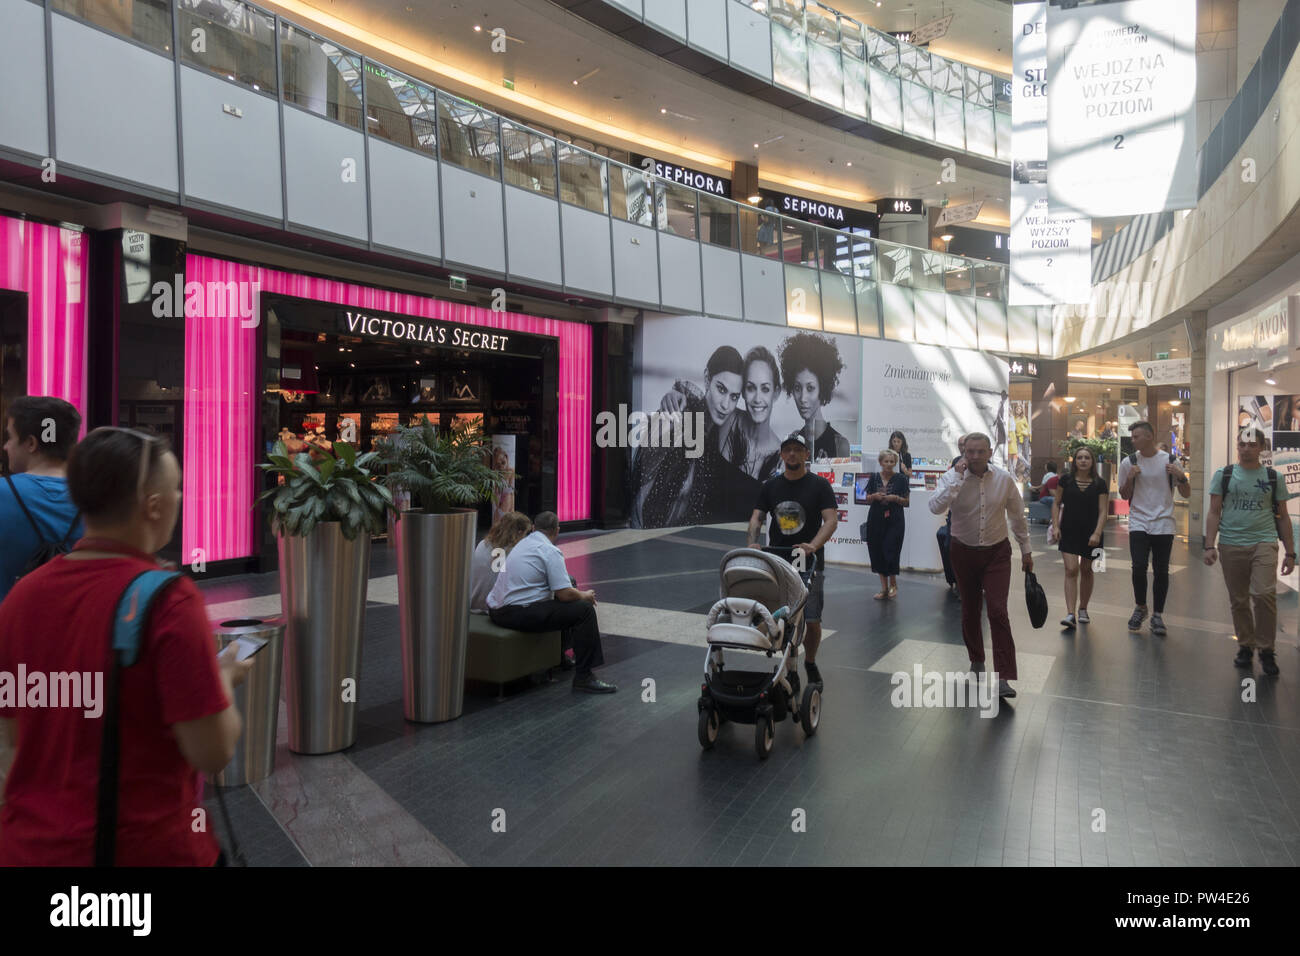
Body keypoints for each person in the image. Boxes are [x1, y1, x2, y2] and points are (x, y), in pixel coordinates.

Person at [0, 427, 252, 865]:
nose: (179, 498)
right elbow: (211, 750)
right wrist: (224, 680)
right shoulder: (169, 600)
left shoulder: (22, 596)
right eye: (175, 488)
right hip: (146, 848)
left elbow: (14, 734)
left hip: (28, 848)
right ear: (153, 506)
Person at [928, 432, 1032, 698]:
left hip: (996, 552)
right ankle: (976, 659)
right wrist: (956, 477)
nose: (974, 457)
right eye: (969, 452)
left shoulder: (1004, 479)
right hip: (963, 551)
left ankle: (1004, 677)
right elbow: (935, 507)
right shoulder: (953, 478)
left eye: (980, 451)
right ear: (964, 452)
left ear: (989, 452)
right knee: (971, 610)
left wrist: (1026, 550)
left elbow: (1018, 516)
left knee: (998, 611)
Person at [487, 511, 616, 693]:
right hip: (514, 612)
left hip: (496, 609)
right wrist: (584, 595)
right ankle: (584, 677)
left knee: (566, 597)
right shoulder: (549, 550)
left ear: (533, 528)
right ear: (557, 530)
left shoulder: (524, 543)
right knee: (584, 610)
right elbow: (565, 595)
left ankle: (559, 658)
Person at [748, 431, 837, 687]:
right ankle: (791, 667)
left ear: (806, 454)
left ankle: (809, 660)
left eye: (797, 450)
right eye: (787, 450)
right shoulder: (771, 486)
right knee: (785, 619)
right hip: (778, 559)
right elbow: (757, 518)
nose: (792, 454)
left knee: (811, 618)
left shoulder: (820, 486)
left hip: (807, 560)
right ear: (781, 454)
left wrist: (813, 545)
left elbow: (831, 520)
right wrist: (752, 542)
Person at [630, 345, 754, 527]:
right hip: (658, 534)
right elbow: (640, 480)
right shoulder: (677, 416)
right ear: (707, 378)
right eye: (721, 389)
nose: (725, 405)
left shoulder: (725, 433)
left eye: (734, 397)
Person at [1204, 430, 1295, 676]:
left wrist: (1290, 552)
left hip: (1264, 541)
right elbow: (1214, 512)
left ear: (1262, 448)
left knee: (1264, 594)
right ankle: (1246, 645)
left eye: (1251, 444)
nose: (1245, 449)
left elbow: (1283, 516)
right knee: (1239, 599)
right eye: (1242, 444)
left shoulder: (1273, 477)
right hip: (1231, 543)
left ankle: (1266, 649)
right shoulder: (1224, 475)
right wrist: (1209, 545)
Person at [1, 396, 84, 601]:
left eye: (9, 437)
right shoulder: (100, 499)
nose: (5, 447)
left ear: (31, 443)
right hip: (75, 627)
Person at [1117, 420, 1190, 636]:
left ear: (1149, 436)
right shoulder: (1128, 462)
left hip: (1164, 522)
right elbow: (1124, 495)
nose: (1133, 440)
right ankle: (1141, 606)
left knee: (1161, 570)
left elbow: (1186, 493)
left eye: (1136, 436)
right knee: (1138, 566)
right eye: (1132, 437)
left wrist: (1181, 476)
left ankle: (1158, 614)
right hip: (1139, 520)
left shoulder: (1170, 460)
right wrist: (1130, 478)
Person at [1051, 446, 1108, 629]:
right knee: (1071, 570)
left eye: (1087, 458)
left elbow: (1103, 511)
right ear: (1074, 461)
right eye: (1080, 457)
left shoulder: (1100, 483)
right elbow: (1056, 503)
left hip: (1093, 533)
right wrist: (1056, 526)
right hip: (1069, 530)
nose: (1083, 460)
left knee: (1087, 570)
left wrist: (1098, 532)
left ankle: (1083, 608)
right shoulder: (1065, 480)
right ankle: (1070, 613)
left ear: (1092, 461)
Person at [778, 331, 850, 459]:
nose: (802, 398)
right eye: (797, 388)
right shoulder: (792, 442)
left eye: (810, 388)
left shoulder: (840, 445)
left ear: (822, 389)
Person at [863, 448, 909, 600]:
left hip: (895, 519)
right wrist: (875, 496)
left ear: (895, 463)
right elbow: (867, 498)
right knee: (877, 551)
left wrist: (895, 498)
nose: (889, 464)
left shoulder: (902, 479)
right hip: (876, 518)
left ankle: (893, 585)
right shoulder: (874, 477)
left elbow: (906, 502)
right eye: (886, 461)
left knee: (891, 550)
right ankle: (884, 588)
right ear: (880, 462)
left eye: (891, 461)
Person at [470, 511, 533, 613]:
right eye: (526, 533)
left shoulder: (482, 544)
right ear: (520, 533)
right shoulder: (515, 552)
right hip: (496, 610)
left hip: (473, 605)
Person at [738, 346, 783, 481]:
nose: (757, 399)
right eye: (751, 388)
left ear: (776, 393)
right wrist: (679, 397)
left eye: (765, 389)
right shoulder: (728, 422)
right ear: (743, 392)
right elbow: (695, 417)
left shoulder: (779, 457)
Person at [935, 434, 966, 591]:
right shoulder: (956, 463)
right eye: (960, 444)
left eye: (964, 443)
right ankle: (955, 581)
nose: (962, 447)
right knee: (948, 543)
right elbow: (935, 505)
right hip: (955, 518)